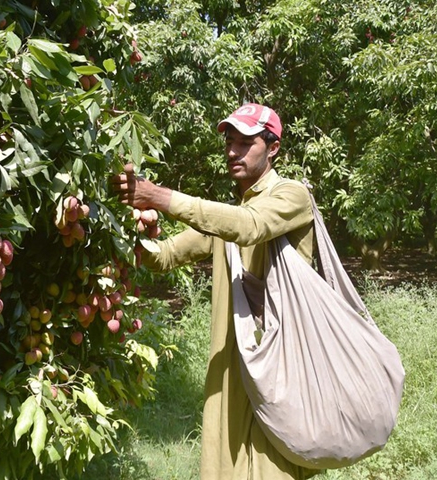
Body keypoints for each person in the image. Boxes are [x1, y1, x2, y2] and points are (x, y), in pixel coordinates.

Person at [110, 103, 320, 479]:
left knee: (274, 468)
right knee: (227, 466)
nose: (233, 152)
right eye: (230, 142)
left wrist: (159, 196)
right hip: (232, 367)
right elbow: (167, 256)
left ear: (272, 148)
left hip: (279, 365)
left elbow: (251, 226)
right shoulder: (230, 214)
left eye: (246, 143)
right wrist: (127, 230)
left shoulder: (292, 196)